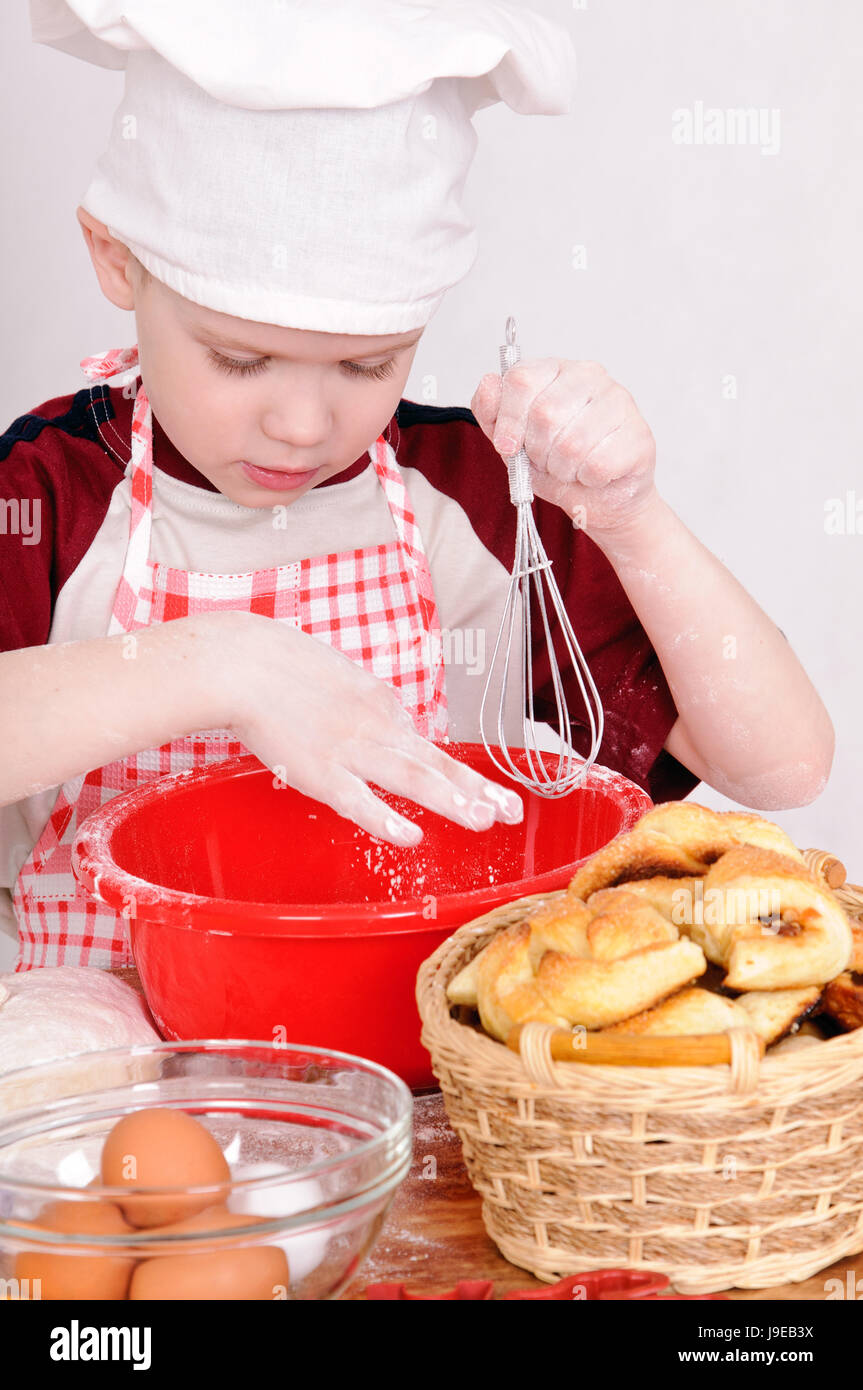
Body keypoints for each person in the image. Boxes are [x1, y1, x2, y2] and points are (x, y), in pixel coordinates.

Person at [0, 1, 833, 971]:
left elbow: (782, 765)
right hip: (114, 1066)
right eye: (238, 358)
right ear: (115, 259)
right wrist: (214, 664)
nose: (302, 424)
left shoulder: (465, 497)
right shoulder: (46, 489)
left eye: (365, 366)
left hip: (416, 1044)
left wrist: (628, 519)